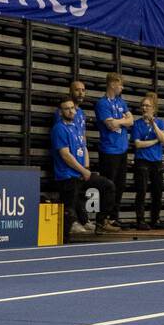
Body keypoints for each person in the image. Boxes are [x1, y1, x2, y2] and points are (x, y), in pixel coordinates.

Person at [51, 98, 115, 240]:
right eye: (67, 108)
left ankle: (100, 221)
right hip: (67, 175)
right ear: (61, 112)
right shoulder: (59, 129)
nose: (71, 111)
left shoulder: (77, 127)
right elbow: (65, 155)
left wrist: (86, 168)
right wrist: (82, 171)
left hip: (81, 172)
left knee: (107, 185)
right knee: (71, 195)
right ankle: (73, 222)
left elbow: (83, 147)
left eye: (72, 108)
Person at [95, 71, 134, 230]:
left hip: (122, 150)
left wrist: (120, 121)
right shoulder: (102, 103)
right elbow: (110, 125)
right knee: (108, 186)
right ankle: (101, 219)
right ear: (112, 84)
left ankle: (113, 217)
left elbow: (131, 121)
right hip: (109, 150)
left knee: (120, 185)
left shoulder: (121, 102)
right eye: (120, 84)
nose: (122, 88)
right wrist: (122, 121)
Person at [132, 94, 164, 230]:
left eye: (147, 106)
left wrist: (153, 124)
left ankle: (155, 219)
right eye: (143, 105)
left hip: (156, 161)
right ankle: (140, 219)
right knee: (141, 191)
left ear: (153, 108)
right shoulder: (137, 124)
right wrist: (154, 141)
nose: (144, 108)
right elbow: (138, 144)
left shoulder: (159, 123)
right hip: (142, 161)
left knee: (157, 192)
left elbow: (163, 139)